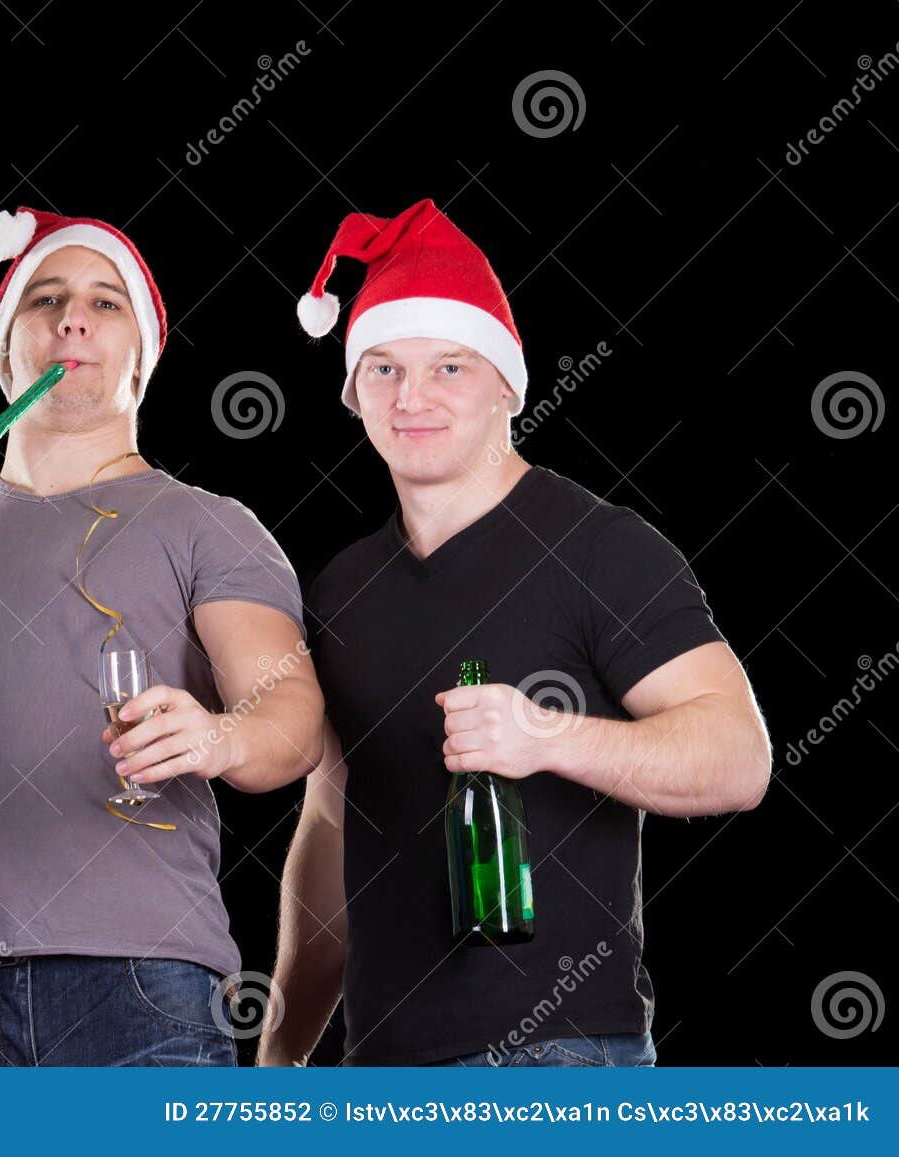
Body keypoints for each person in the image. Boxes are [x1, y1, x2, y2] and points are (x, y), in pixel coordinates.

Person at [257, 199, 771, 1067]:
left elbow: (738, 758)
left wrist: (548, 737)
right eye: (383, 368)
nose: (412, 396)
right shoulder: (340, 588)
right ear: (353, 392)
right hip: (376, 1068)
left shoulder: (600, 548)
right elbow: (331, 824)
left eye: (449, 366)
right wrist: (282, 1052)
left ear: (506, 385)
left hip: (560, 1059)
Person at [0, 207, 326, 1066]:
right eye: (46, 299)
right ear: (4, 354)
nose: (73, 318)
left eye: (107, 303)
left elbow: (292, 721)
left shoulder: (210, 524)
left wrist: (218, 736)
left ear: (142, 357)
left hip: (146, 984)